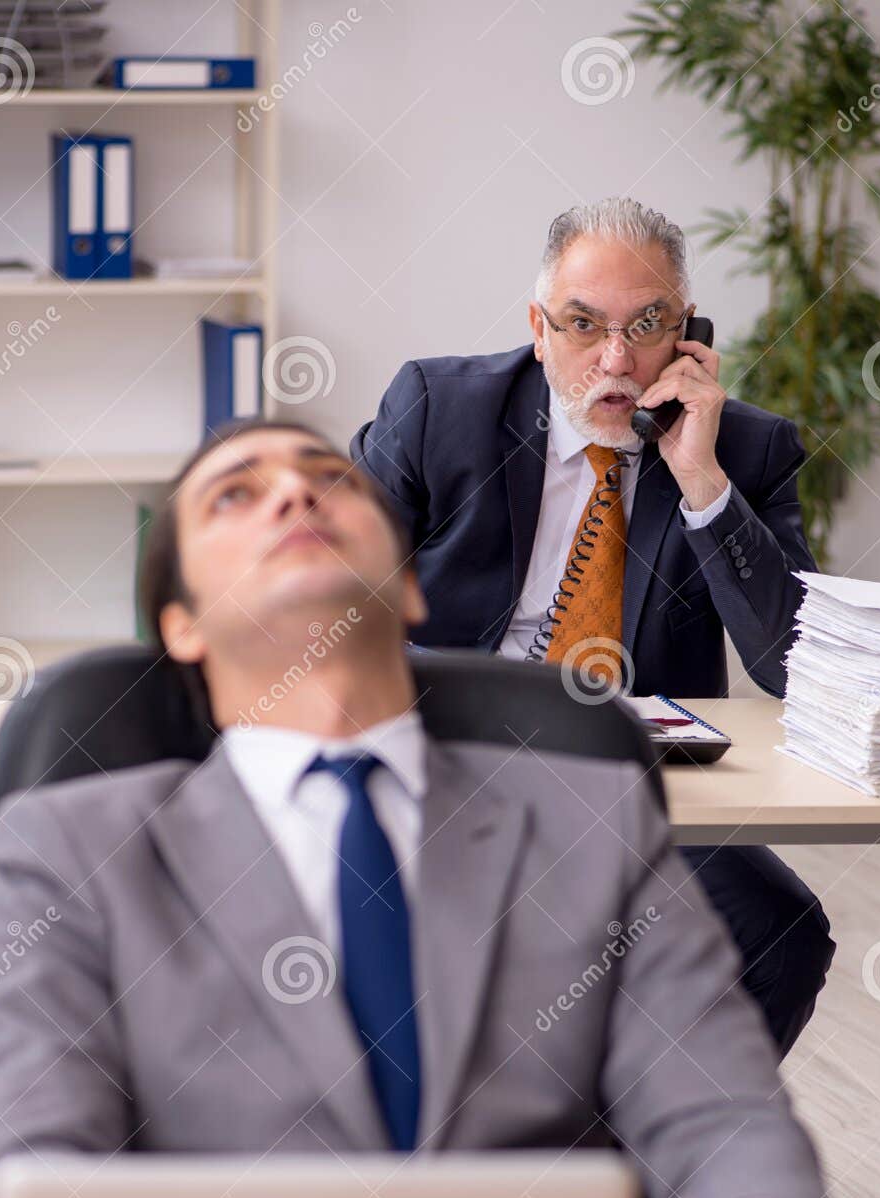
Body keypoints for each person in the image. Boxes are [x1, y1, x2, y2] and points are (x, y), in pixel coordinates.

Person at [0, 419, 843, 1198]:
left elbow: (724, 1111)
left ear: (409, 588)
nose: (295, 495)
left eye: (331, 480)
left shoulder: (591, 819)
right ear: (182, 626)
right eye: (236, 494)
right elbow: (27, 1174)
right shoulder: (74, 847)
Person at [351, 195, 834, 1058]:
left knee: (782, 933)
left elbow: (793, 665)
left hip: (633, 789)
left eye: (647, 324)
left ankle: (623, 1173)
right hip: (448, 765)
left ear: (689, 333)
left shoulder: (745, 453)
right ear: (539, 329)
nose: (615, 359)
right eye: (583, 325)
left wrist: (702, 486)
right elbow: (339, 609)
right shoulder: (438, 411)